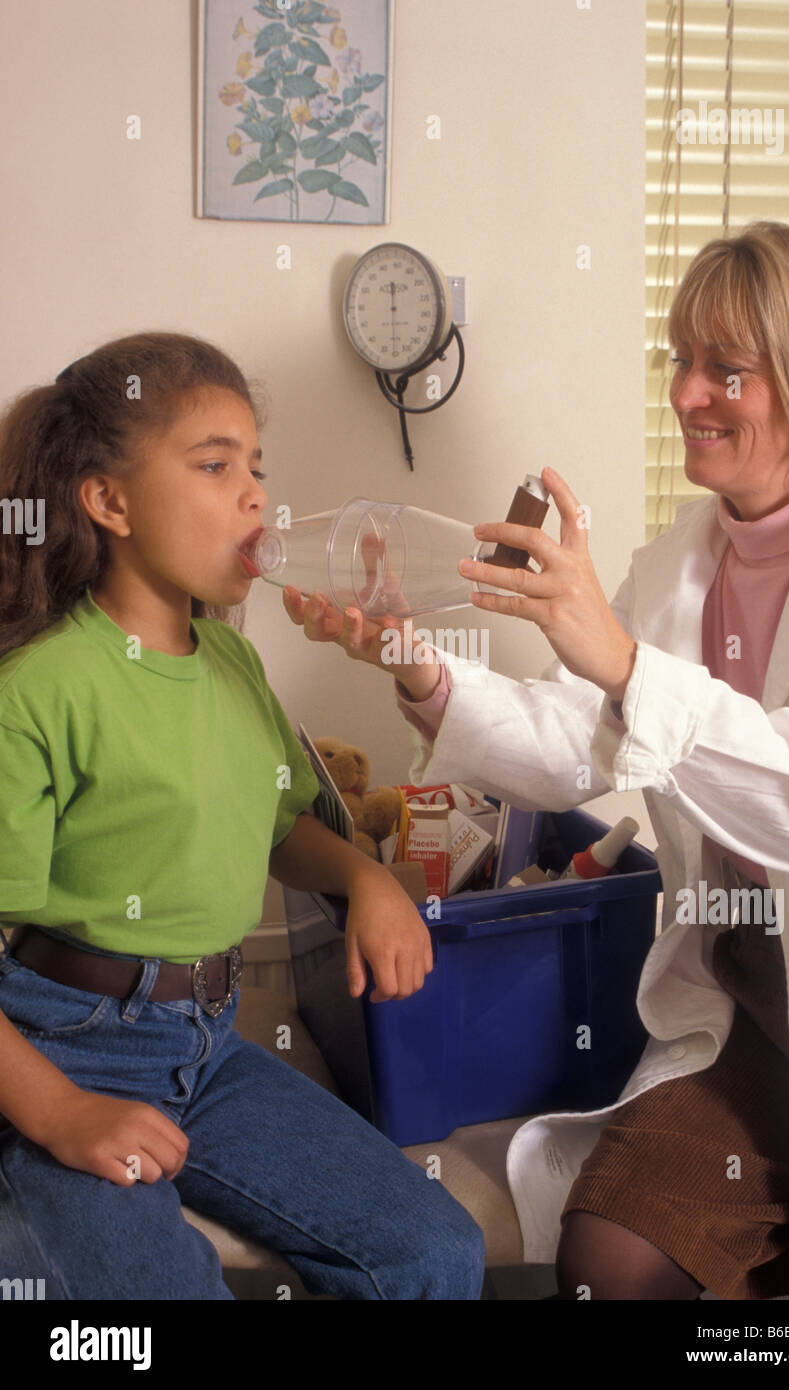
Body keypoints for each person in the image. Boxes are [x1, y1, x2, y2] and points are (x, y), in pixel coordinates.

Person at [283, 221, 789, 1301]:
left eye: (724, 370)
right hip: (747, 1012)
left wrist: (625, 661)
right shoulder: (682, 558)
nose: (687, 393)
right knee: (610, 1262)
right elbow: (572, 751)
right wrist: (415, 662)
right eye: (680, 360)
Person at [0, 331, 486, 1301]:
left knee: (437, 1255)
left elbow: (275, 828)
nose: (255, 495)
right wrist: (58, 1113)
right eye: (216, 465)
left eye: (256, 468)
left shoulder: (231, 665)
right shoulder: (38, 689)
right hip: (68, 1046)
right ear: (109, 499)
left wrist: (365, 878)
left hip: (209, 1044)